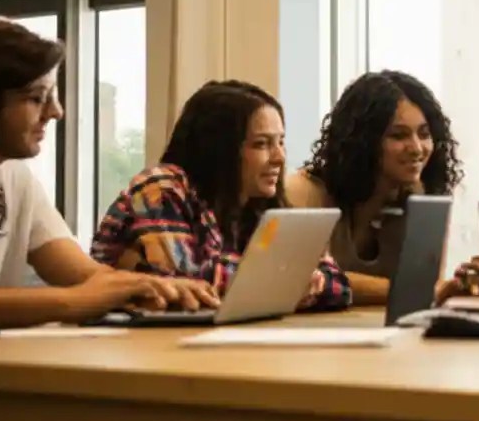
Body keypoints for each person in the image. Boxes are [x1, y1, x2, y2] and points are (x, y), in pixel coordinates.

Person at [0, 18, 210, 332]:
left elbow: (84, 275)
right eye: (37, 98)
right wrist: (71, 302)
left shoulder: (14, 178)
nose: (56, 112)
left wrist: (153, 288)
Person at [92, 80, 351, 311]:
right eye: (261, 144)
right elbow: (191, 280)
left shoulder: (259, 205)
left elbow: (339, 285)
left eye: (280, 142)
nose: (280, 158)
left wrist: (289, 282)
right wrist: (291, 280)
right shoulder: (160, 188)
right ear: (218, 150)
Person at [285, 71, 463, 304]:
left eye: (424, 134)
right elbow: (299, 278)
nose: (417, 148)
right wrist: (405, 291)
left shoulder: (424, 202)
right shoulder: (303, 193)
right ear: (363, 141)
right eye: (399, 135)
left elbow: (428, 291)